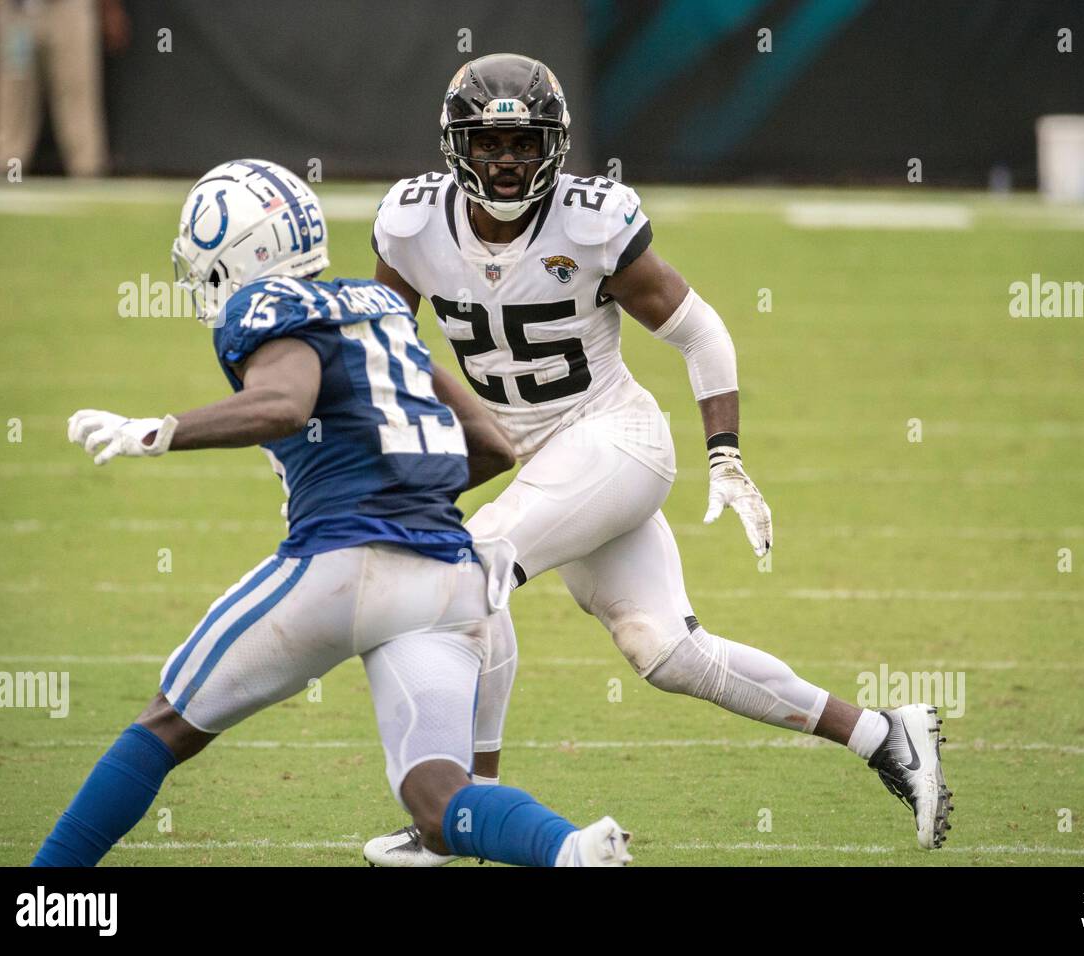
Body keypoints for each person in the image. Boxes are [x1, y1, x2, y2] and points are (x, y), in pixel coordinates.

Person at [363, 55, 951, 865]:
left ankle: (458, 812)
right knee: (665, 652)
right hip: (526, 459)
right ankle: (883, 735)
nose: (507, 160)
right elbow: (386, 346)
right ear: (455, 145)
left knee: (477, 562)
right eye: (489, 142)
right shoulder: (411, 224)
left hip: (614, 442)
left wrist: (727, 458)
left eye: (525, 143)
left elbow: (699, 330)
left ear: (556, 146)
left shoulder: (592, 222)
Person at [32, 158, 633, 867]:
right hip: (446, 575)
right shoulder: (380, 310)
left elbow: (285, 402)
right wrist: (411, 499)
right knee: (439, 804)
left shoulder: (264, 309)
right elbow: (494, 446)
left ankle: (41, 892)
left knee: (163, 726)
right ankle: (569, 848)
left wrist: (161, 430)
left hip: (343, 562)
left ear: (235, 252)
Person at [0, 0, 129, 177]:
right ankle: (6, 173)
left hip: (69, 9)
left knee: (77, 98)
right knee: (13, 99)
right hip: (16, 15)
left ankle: (88, 173)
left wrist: (110, 9)